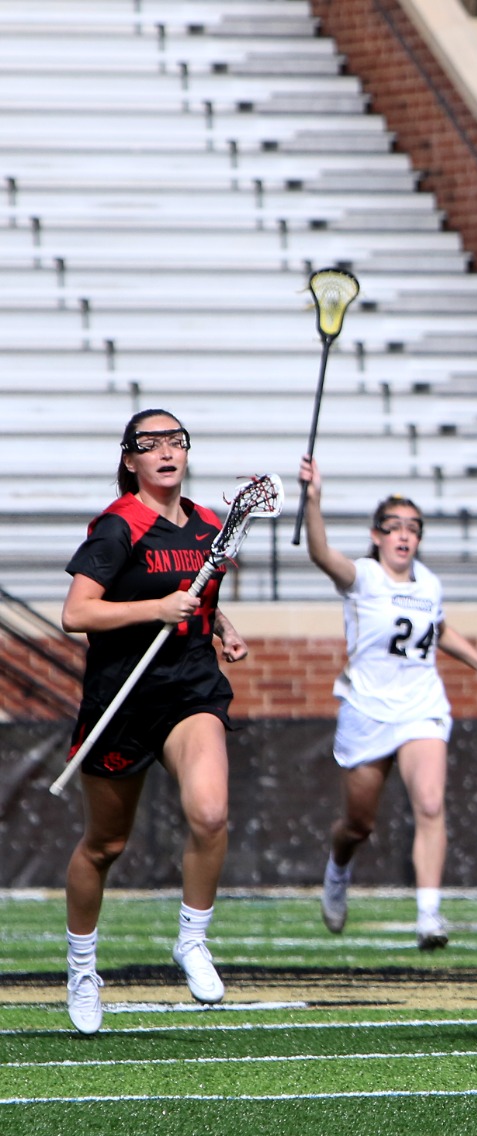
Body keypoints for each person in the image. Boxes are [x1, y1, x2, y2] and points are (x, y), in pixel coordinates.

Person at [59, 409, 252, 1034]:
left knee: (211, 813)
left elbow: (201, 591)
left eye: (176, 441)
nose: (166, 451)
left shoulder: (205, 524)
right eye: (151, 443)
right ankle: (83, 968)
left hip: (190, 691)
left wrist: (220, 626)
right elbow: (76, 613)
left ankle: (192, 938)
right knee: (105, 845)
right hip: (121, 698)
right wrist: (157, 608)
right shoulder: (119, 527)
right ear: (130, 459)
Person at [298, 458, 477, 949]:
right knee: (359, 823)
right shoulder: (363, 577)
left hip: (422, 705)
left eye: (413, 528)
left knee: (429, 802)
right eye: (394, 527)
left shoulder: (428, 583)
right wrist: (313, 500)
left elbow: (438, 630)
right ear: (376, 535)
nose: (404, 536)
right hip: (366, 708)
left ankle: (429, 915)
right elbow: (320, 553)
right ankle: (338, 871)